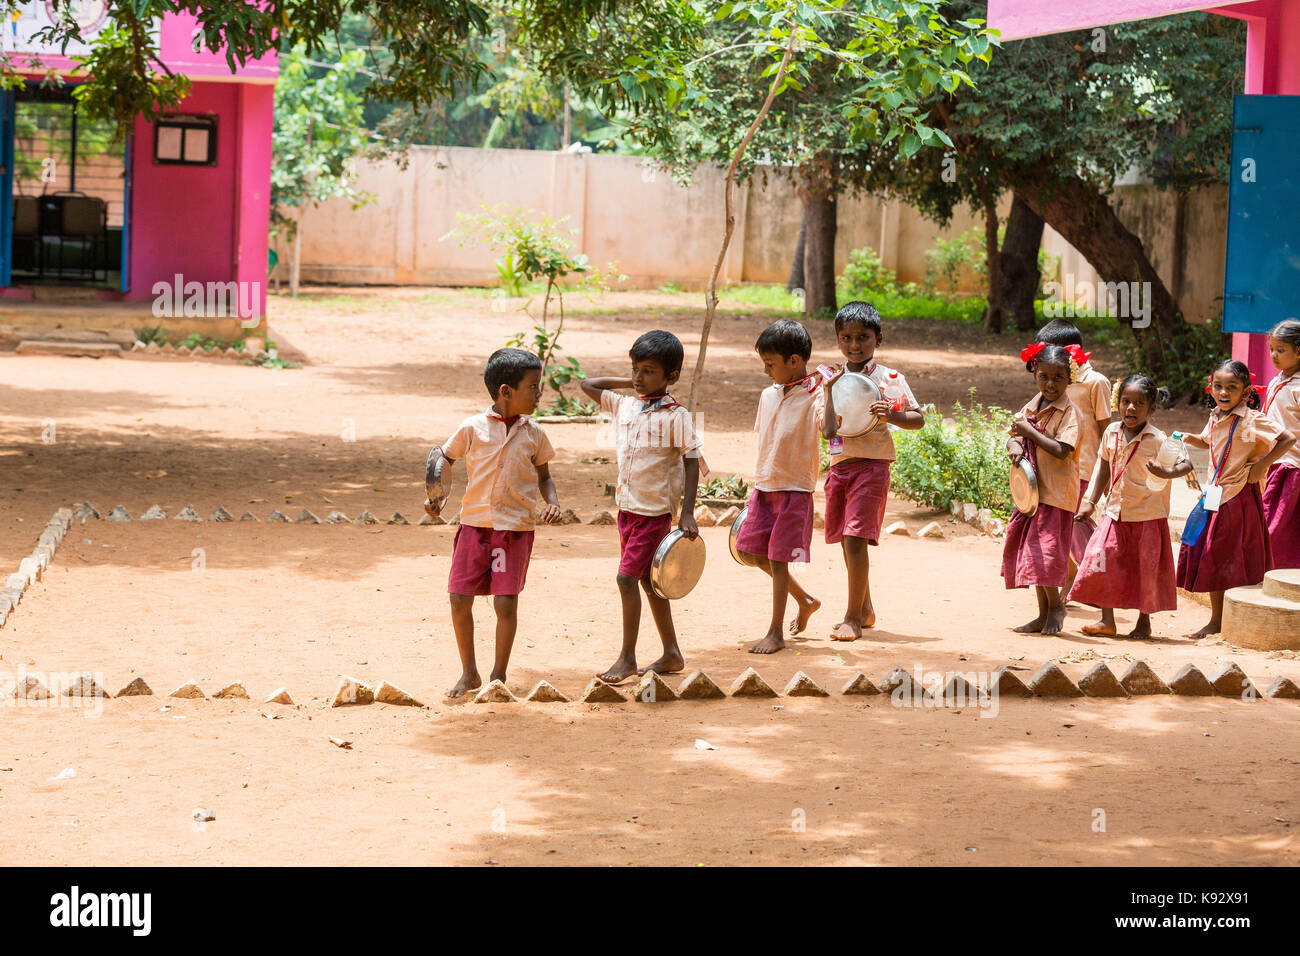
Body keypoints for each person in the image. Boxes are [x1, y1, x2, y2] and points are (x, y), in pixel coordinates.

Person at [425, 348, 562, 698]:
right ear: (506, 391)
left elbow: (545, 476)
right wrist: (436, 496)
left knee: (505, 602)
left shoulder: (534, 434)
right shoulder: (471, 428)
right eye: (532, 387)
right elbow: (444, 458)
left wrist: (553, 502)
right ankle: (469, 673)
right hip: (474, 525)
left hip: (514, 529)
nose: (539, 394)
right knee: (458, 597)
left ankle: (497, 675)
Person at [580, 330, 703, 683]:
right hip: (627, 511)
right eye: (635, 368)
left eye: (648, 371)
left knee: (625, 578)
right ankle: (672, 653)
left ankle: (627, 658)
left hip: (654, 514)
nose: (638, 377)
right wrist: (631, 380)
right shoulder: (627, 404)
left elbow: (691, 461)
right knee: (650, 584)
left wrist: (689, 512)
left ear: (672, 376)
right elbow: (587, 384)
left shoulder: (676, 416)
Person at [819, 301, 923, 641]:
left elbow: (918, 419)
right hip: (840, 465)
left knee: (854, 538)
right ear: (838, 340)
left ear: (879, 338)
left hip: (873, 465)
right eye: (846, 337)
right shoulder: (833, 379)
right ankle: (865, 608)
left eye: (863, 337)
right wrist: (827, 392)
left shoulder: (890, 379)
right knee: (845, 541)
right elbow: (827, 431)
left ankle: (851, 617)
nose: (854, 345)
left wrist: (891, 415)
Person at [1173, 359, 1296, 639]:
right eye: (1218, 386)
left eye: (1232, 387)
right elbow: (1209, 441)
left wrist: (1262, 465)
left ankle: (1226, 622)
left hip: (1239, 496)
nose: (1224, 392)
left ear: (1246, 392)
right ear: (1211, 387)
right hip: (1214, 495)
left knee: (1233, 557)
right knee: (1213, 556)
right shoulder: (1215, 415)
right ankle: (1216, 621)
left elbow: (1287, 439)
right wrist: (1192, 438)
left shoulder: (1252, 419)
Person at [735, 318, 823, 654]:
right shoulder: (767, 395)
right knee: (751, 552)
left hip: (795, 490)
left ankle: (775, 632)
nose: (766, 371)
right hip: (765, 487)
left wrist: (828, 390)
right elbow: (765, 441)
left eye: (770, 364)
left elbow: (830, 431)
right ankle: (805, 599)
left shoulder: (816, 398)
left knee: (779, 558)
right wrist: (756, 484)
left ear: (795, 361)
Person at [1068, 375, 1179, 637]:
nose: (1131, 408)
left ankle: (1144, 621)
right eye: (1126, 402)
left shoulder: (1159, 439)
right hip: (1114, 512)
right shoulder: (1110, 432)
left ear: (1151, 408)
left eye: (1139, 403)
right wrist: (1090, 502)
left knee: (1146, 568)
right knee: (1101, 558)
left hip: (1147, 514)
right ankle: (1107, 620)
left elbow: (1183, 464)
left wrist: (1165, 471)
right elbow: (1103, 467)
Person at [1001, 343, 1081, 635]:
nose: (1050, 384)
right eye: (1044, 376)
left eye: (1058, 378)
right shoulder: (1031, 406)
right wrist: (1014, 447)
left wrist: (1029, 432)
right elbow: (1013, 436)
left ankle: (1057, 606)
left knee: (1047, 555)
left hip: (1057, 495)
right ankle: (1042, 612)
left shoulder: (1070, 413)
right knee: (1034, 555)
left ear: (1068, 379)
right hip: (1031, 495)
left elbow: (1062, 450)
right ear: (1034, 374)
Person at [1035, 319, 1113, 594]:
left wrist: (1109, 472)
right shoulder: (1054, 380)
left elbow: (1108, 430)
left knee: (1080, 527)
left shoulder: (1096, 382)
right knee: (1061, 531)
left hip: (1086, 467)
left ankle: (1102, 584)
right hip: (1057, 467)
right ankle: (1071, 581)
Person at [1262, 319, 1300, 569]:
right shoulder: (1278, 380)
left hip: (1291, 466)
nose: (1274, 355)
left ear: (1299, 351)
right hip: (1271, 462)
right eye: (1272, 349)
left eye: (1281, 350)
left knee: (1276, 527)